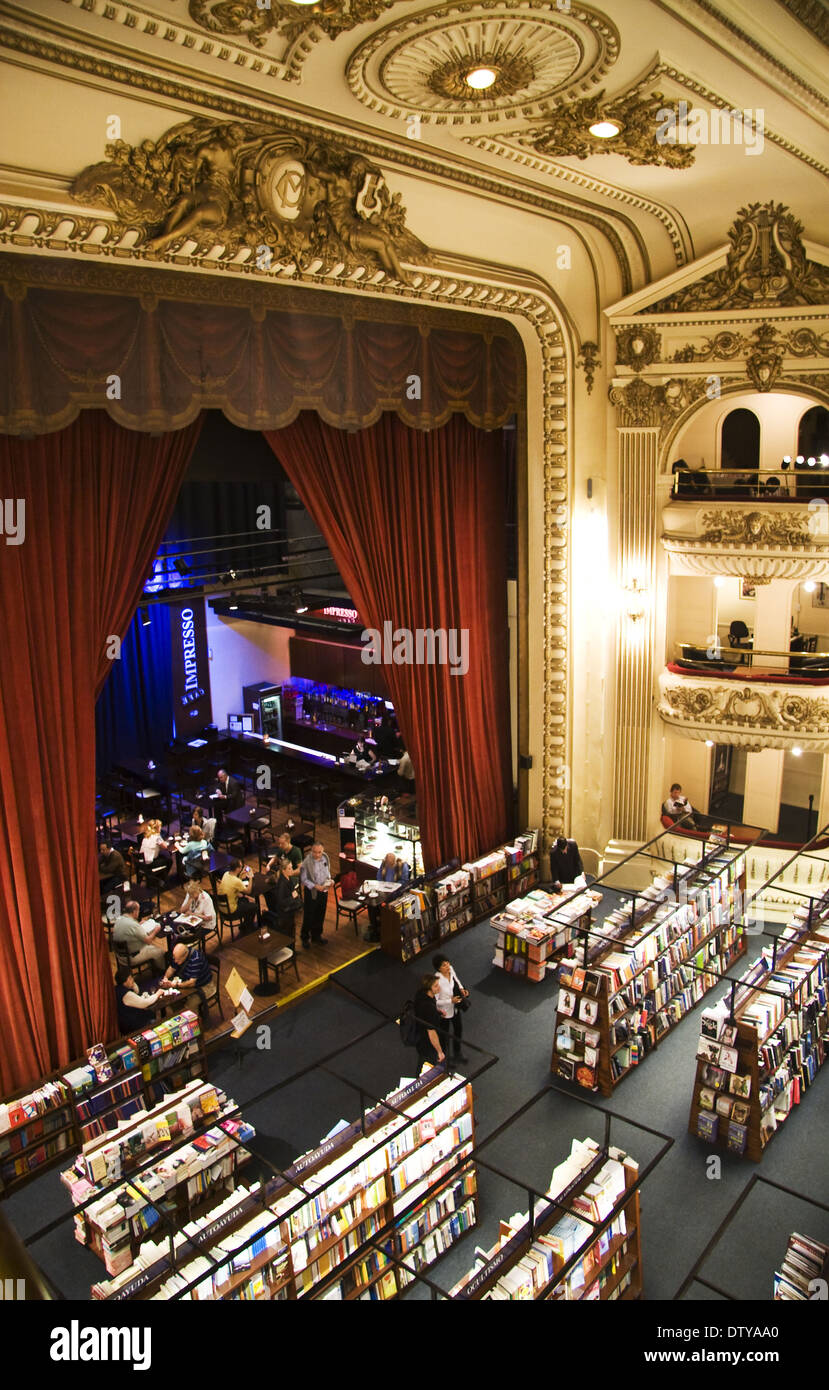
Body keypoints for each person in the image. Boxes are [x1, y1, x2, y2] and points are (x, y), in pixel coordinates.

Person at [433, 954, 469, 1064]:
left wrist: (462, 989)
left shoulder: (451, 969)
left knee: (458, 1030)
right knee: (444, 1035)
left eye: (448, 963)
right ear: (439, 968)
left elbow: (456, 980)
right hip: (444, 1013)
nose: (448, 966)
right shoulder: (437, 981)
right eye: (444, 965)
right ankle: (445, 1059)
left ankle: (457, 1052)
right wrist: (450, 1001)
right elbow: (436, 1002)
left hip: (455, 1008)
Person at [162, 940, 213, 1016]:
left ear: (184, 956)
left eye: (177, 960)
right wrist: (165, 978)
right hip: (187, 982)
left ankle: (193, 1024)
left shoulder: (196, 959)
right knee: (172, 1000)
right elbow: (171, 968)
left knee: (189, 1007)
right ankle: (179, 1017)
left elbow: (192, 983)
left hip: (204, 986)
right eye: (174, 958)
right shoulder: (178, 956)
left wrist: (175, 985)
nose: (175, 961)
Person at [112, 900, 167, 969]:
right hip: (130, 958)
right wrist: (156, 930)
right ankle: (161, 972)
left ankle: (152, 965)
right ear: (134, 912)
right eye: (138, 911)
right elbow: (148, 940)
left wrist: (139, 924)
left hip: (119, 955)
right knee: (160, 952)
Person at [114, 965, 166, 1034]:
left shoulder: (119, 988)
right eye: (131, 978)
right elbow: (144, 1003)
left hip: (127, 1019)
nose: (133, 980)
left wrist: (132, 984)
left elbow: (137, 991)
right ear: (127, 979)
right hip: (131, 1024)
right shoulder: (126, 994)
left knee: (150, 1012)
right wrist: (157, 994)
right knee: (152, 1017)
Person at [299, 842, 333, 947]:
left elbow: (327, 871)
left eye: (319, 852)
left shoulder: (325, 858)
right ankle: (305, 938)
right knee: (309, 915)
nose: (317, 854)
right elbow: (303, 879)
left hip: (324, 890)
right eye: (315, 852)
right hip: (312, 892)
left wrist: (330, 880)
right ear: (311, 851)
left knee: (320, 913)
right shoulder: (306, 863)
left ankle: (316, 936)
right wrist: (315, 886)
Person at [412, 974, 445, 1075]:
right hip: (426, 1040)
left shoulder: (421, 994)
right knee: (427, 1061)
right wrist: (440, 1051)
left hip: (419, 1031)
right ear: (429, 989)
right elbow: (431, 1033)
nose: (439, 987)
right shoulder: (428, 1008)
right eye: (435, 986)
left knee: (423, 1057)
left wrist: (437, 1011)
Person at [218, 858, 258, 930]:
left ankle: (245, 924)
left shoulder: (226, 874)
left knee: (246, 900)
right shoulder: (236, 881)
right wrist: (251, 877)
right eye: (241, 867)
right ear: (237, 869)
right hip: (231, 911)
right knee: (254, 906)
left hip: (222, 908)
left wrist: (241, 875)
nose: (241, 868)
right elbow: (248, 891)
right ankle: (248, 927)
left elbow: (234, 885)